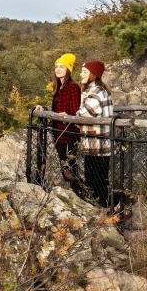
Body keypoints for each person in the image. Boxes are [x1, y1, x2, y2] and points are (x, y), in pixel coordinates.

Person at [35, 54, 81, 189]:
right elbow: (57, 109)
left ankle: (77, 190)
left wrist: (67, 116)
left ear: (68, 69)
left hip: (70, 132)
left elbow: (75, 110)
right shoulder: (57, 87)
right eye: (56, 67)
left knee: (71, 164)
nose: (58, 69)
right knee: (63, 164)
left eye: (62, 66)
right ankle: (72, 190)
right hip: (58, 131)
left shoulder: (73, 87)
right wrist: (43, 109)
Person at [77, 60, 114, 208]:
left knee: (96, 182)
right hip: (98, 144)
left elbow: (85, 113)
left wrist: (77, 112)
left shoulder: (96, 92)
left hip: (97, 144)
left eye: (84, 72)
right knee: (99, 181)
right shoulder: (97, 91)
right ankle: (109, 210)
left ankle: (108, 210)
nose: (81, 74)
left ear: (93, 74)